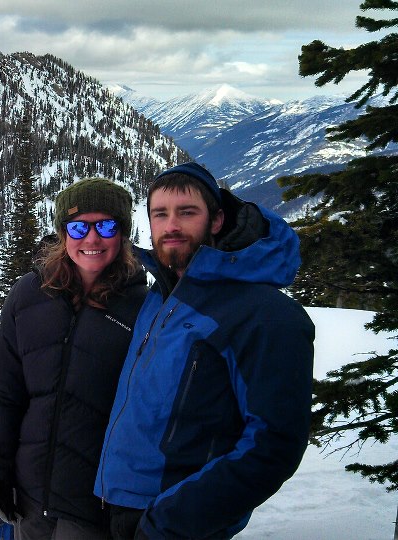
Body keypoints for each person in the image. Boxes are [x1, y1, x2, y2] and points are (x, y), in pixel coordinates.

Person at [94, 162, 315, 539]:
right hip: (119, 507)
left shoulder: (263, 314)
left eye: (187, 212)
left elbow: (273, 446)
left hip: (174, 521)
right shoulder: (162, 295)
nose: (171, 226)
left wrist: (169, 520)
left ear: (216, 220)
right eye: (160, 214)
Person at [0, 177, 148, 539]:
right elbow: (7, 393)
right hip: (28, 499)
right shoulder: (29, 295)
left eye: (106, 225)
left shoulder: (143, 308)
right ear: (63, 234)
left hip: (95, 506)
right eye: (78, 227)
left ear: (123, 234)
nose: (92, 238)